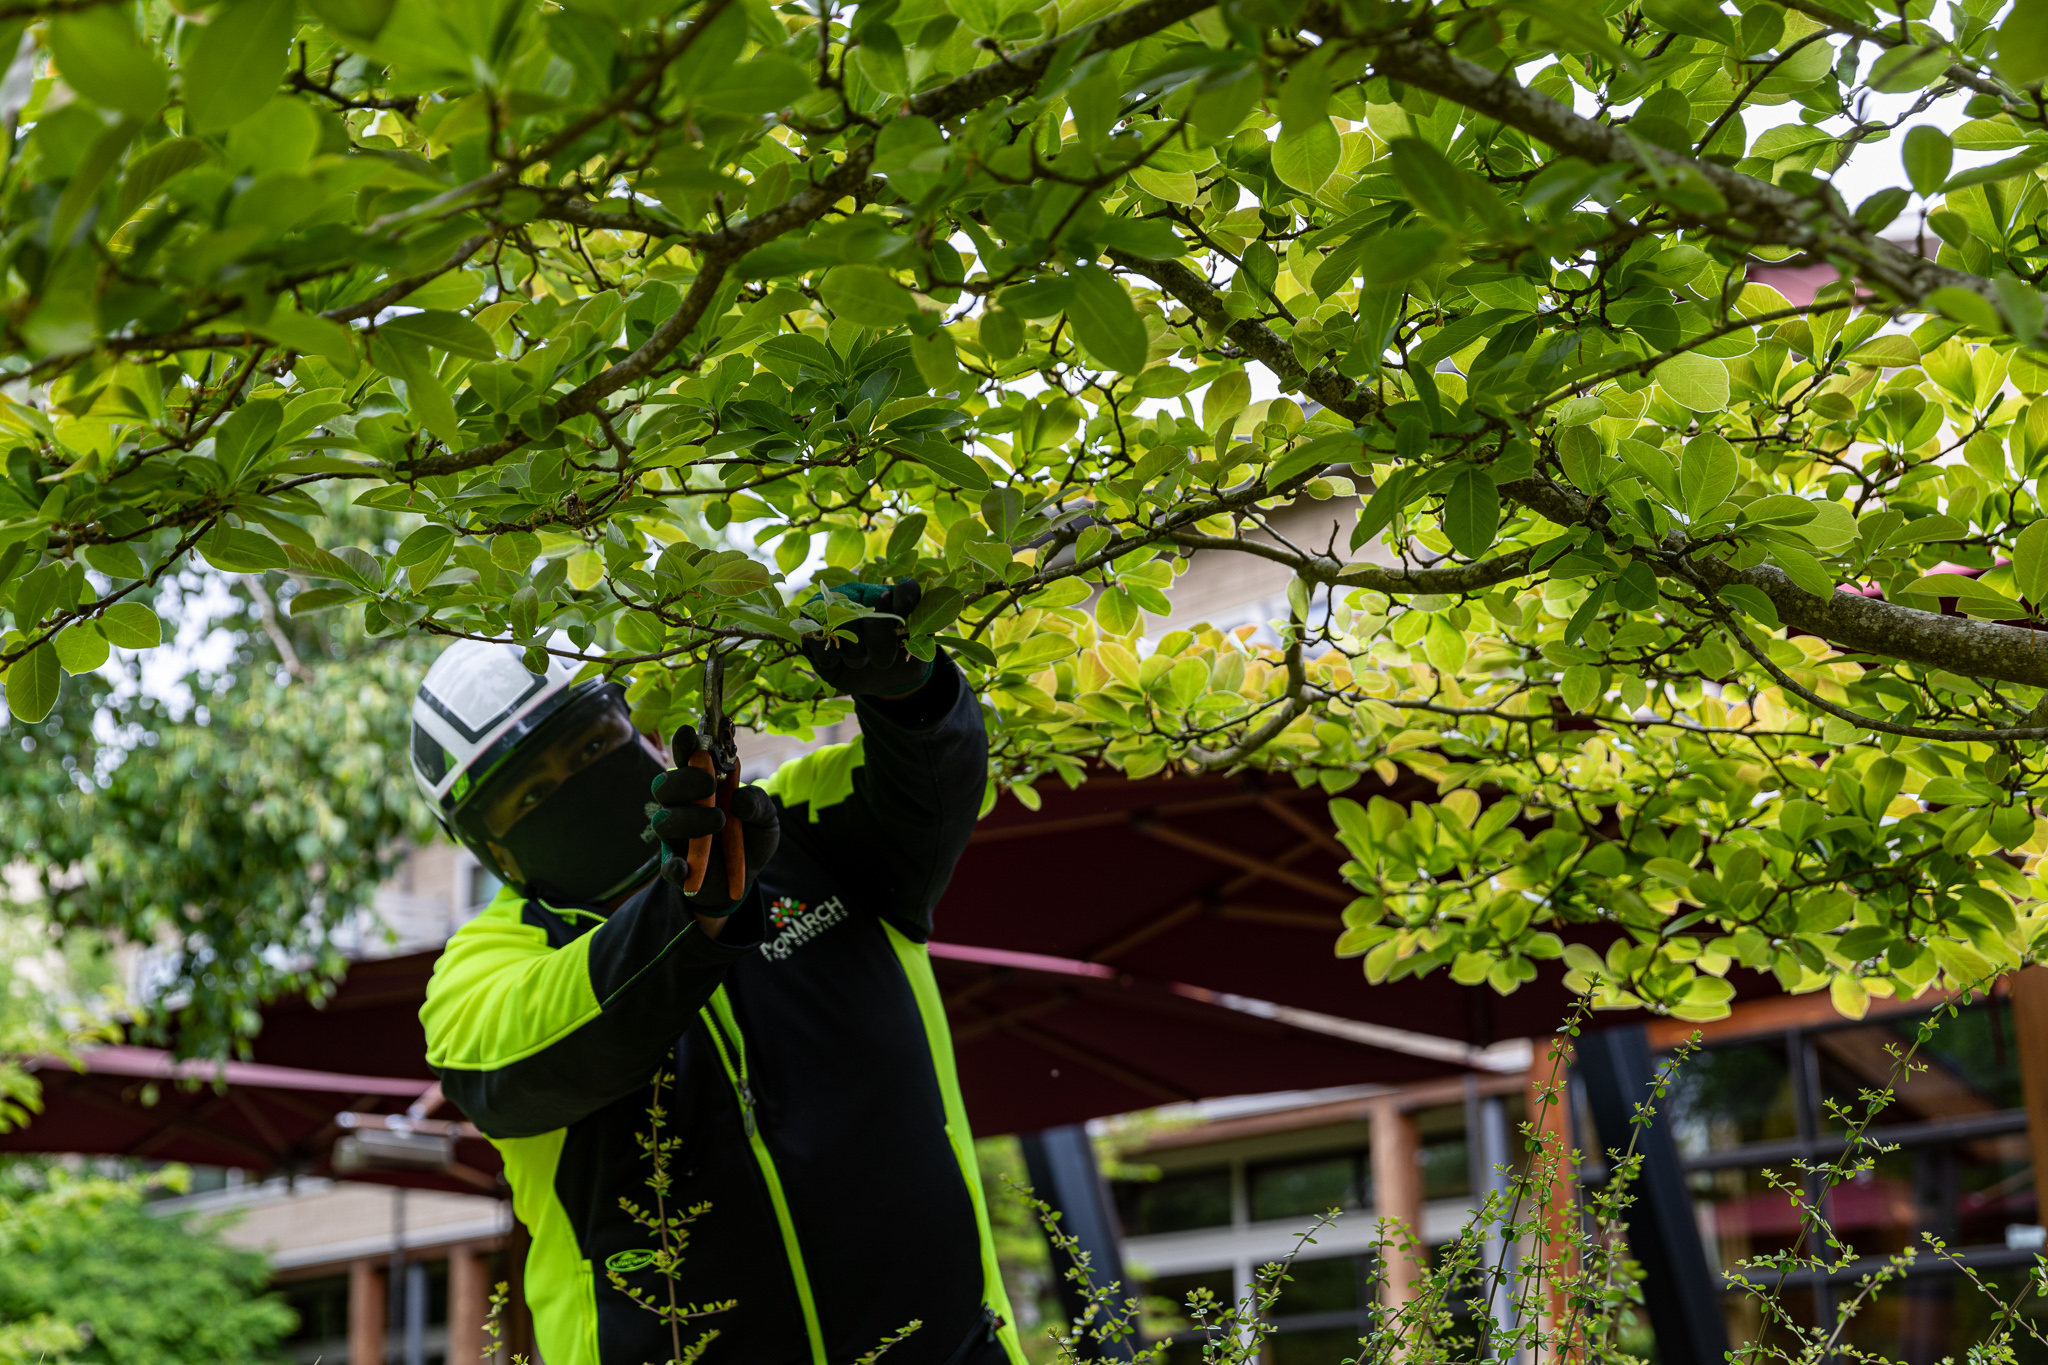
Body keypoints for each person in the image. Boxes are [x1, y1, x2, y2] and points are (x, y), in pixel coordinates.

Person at [413, 581, 1022, 1365]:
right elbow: (529, 1053)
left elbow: (925, 787)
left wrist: (913, 686)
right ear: (490, 851)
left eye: (594, 745)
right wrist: (688, 919)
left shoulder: (795, 828)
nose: (575, 787)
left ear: (646, 733)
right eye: (531, 792)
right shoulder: (480, 968)